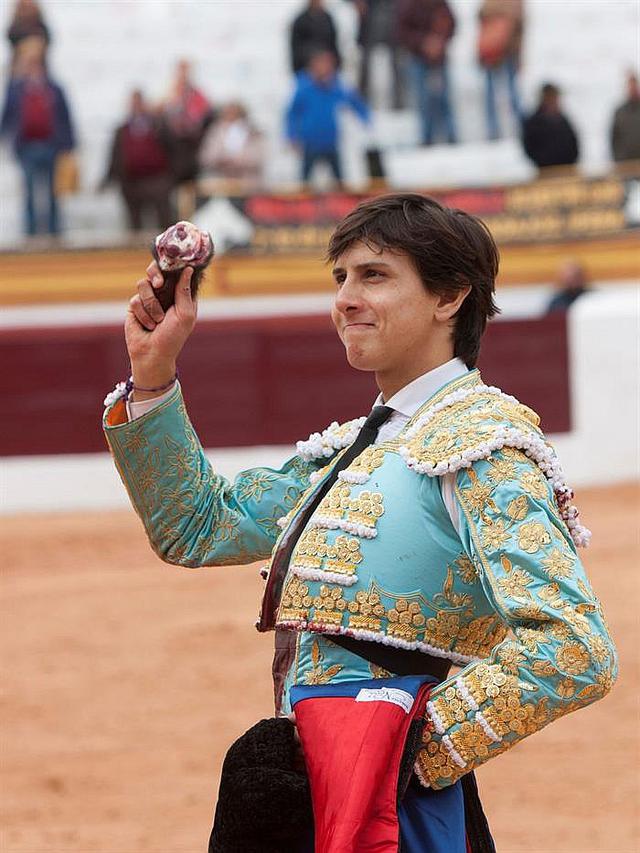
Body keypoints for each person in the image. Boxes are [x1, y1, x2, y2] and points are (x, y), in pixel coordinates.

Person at [103, 192, 617, 851]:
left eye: (374, 275)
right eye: (340, 277)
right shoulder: (353, 448)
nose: (345, 298)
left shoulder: (484, 446)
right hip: (312, 787)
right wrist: (153, 374)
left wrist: (405, 750)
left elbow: (574, 646)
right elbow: (198, 525)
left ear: (449, 296)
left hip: (391, 803)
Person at [0, 38, 75, 236]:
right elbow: (7, 117)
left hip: (51, 147)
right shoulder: (16, 89)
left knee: (53, 193)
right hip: (26, 148)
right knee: (29, 193)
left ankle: (54, 234)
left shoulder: (54, 88)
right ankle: (31, 235)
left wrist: (69, 147)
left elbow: (65, 117)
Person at [285, 50, 370, 188]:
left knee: (339, 180)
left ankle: (342, 198)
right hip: (310, 142)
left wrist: (365, 119)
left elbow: (356, 103)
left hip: (331, 141)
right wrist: (291, 135)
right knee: (305, 181)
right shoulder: (304, 88)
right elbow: (292, 114)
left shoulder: (337, 86)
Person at [101, 89, 174, 232]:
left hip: (157, 180)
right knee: (135, 225)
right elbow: (115, 156)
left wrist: (172, 176)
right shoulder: (122, 130)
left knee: (164, 221)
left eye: (138, 102)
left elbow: (172, 150)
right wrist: (108, 179)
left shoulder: (158, 125)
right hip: (131, 183)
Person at [396, 0, 457, 145]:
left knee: (442, 99)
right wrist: (423, 43)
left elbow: (452, 24)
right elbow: (401, 31)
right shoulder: (409, 5)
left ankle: (450, 136)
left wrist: (439, 42)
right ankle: (426, 138)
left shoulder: (440, 3)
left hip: (438, 60)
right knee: (423, 99)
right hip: (417, 58)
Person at [161, 59, 213, 185]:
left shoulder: (197, 94)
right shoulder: (169, 94)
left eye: (185, 70)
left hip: (192, 148)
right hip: (173, 150)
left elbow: (202, 116)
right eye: (180, 70)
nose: (183, 73)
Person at [477, 0, 524, 140]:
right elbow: (482, 15)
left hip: (509, 49)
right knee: (491, 92)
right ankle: (493, 130)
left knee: (512, 91)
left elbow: (520, 22)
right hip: (492, 50)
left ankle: (521, 128)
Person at [350, 0, 407, 110]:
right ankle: (362, 100)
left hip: (394, 16)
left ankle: (399, 101)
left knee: (397, 62)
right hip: (370, 16)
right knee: (365, 62)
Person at [198, 101, 264, 191]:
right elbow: (206, 157)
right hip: (220, 182)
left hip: (246, 184)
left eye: (235, 115)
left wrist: (237, 162)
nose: (231, 118)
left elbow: (258, 158)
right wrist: (222, 160)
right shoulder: (216, 132)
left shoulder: (253, 133)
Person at [521, 82, 579, 171]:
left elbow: (573, 143)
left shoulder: (563, 119)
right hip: (545, 171)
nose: (554, 101)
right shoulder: (534, 122)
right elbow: (530, 147)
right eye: (551, 97)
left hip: (567, 169)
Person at [290, 0, 341, 76]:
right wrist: (314, 61)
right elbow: (297, 50)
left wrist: (331, 63)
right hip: (307, 70)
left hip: (329, 71)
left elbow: (334, 45)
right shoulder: (300, 21)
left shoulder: (328, 19)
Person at [610, 71, 640, 164]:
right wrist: (619, 159)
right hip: (626, 163)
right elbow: (614, 139)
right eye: (630, 85)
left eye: (634, 85)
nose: (633, 88)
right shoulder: (620, 112)